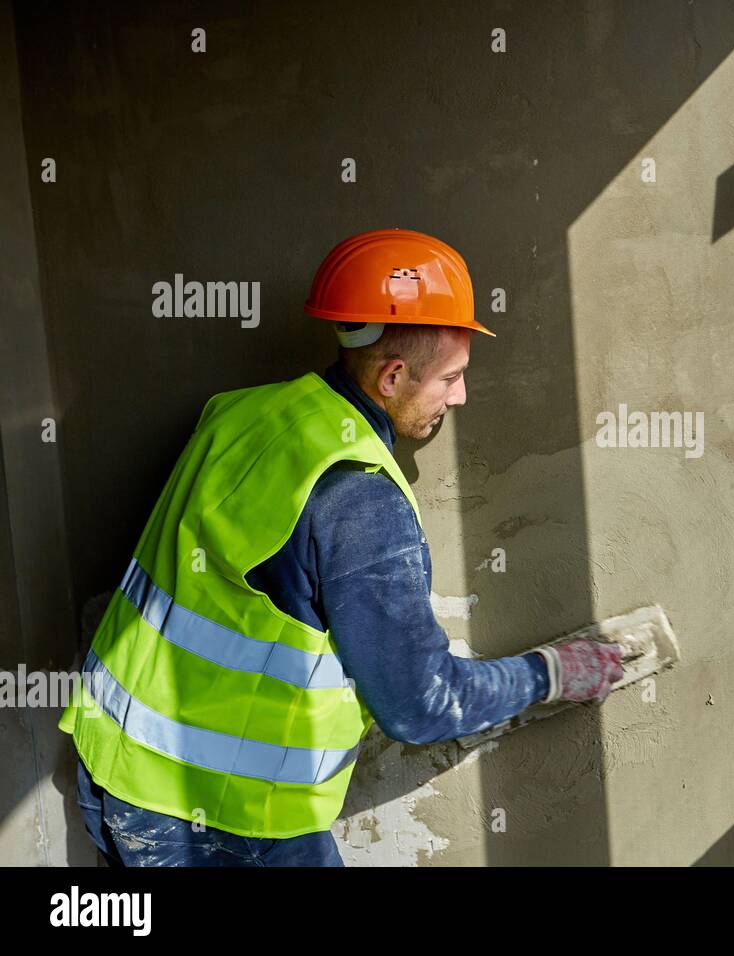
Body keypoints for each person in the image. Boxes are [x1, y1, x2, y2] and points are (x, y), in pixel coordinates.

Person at [61, 228, 623, 866]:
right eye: (452, 377)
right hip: (220, 821)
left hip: (111, 763)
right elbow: (421, 704)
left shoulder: (242, 413)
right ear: (392, 375)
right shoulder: (360, 502)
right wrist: (550, 674)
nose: (461, 395)